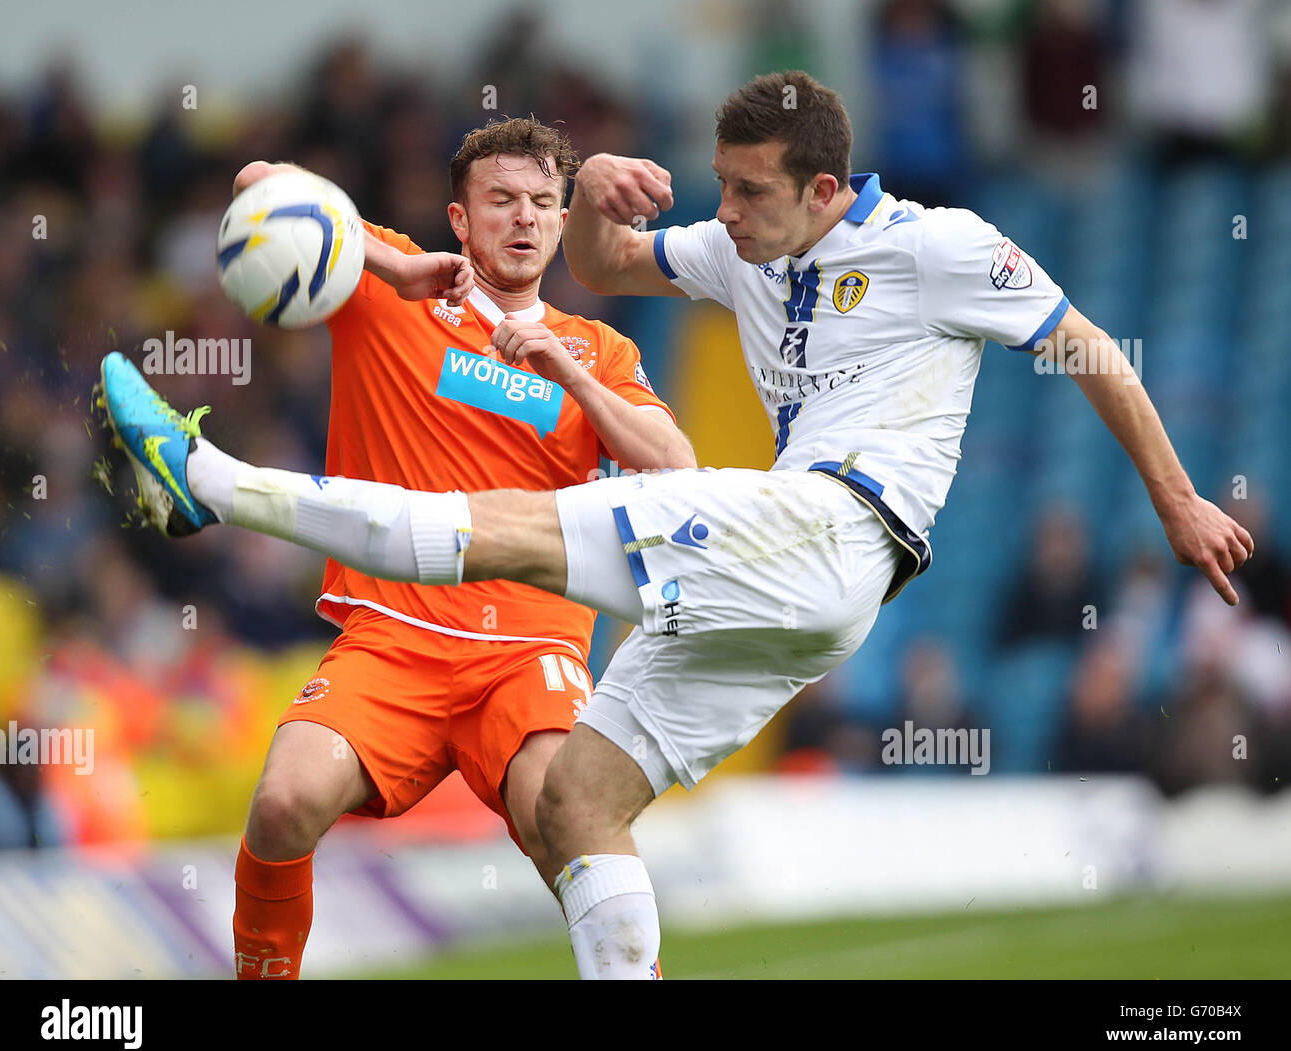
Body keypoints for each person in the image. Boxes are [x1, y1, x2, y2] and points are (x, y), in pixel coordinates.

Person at [99, 72, 1253, 980]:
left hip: (834, 528)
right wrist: (594, 186)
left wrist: (1173, 496)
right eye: (719, 183)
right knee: (579, 800)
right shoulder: (739, 252)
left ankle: (204, 478)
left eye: (747, 191)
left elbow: (1087, 344)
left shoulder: (935, 247)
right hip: (793, 596)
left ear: (824, 189)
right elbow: (606, 261)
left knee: (506, 531)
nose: (725, 210)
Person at [110, 116, 694, 980]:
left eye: (542, 202)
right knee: (281, 803)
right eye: (500, 200)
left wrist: (564, 371)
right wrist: (390, 263)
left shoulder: (600, 349)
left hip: (529, 646)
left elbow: (676, 464)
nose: (524, 218)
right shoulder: (391, 283)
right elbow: (258, 182)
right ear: (460, 219)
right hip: (395, 636)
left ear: (564, 222)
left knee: (564, 820)